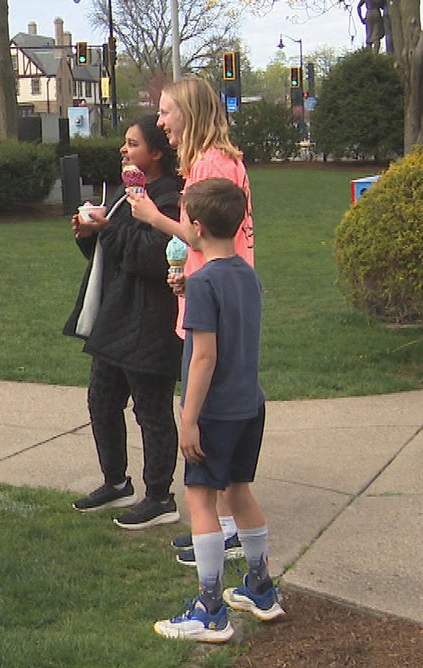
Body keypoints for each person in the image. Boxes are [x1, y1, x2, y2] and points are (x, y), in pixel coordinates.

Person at [127, 76, 255, 558]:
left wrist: (151, 216)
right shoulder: (216, 160)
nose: (161, 122)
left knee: (208, 414)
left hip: (215, 298)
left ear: (190, 113)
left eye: (166, 112)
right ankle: (222, 527)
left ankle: (224, 531)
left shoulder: (211, 164)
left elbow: (202, 235)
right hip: (211, 289)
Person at [152, 177, 283, 643]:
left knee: (201, 500)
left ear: (197, 226)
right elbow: (228, 305)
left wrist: (188, 416)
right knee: (239, 492)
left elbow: (203, 355)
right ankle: (260, 589)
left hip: (214, 411)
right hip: (250, 405)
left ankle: (209, 609)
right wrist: (191, 288)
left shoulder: (206, 282)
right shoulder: (244, 273)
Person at [63, 115, 185, 531]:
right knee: (101, 400)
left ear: (156, 153)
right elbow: (114, 253)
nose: (124, 150)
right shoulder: (127, 193)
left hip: (149, 321)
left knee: (151, 409)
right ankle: (115, 481)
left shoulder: (168, 198)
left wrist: (110, 228)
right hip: (116, 317)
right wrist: (88, 234)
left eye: (133, 144)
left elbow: (154, 255)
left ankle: (159, 495)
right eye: (124, 143)